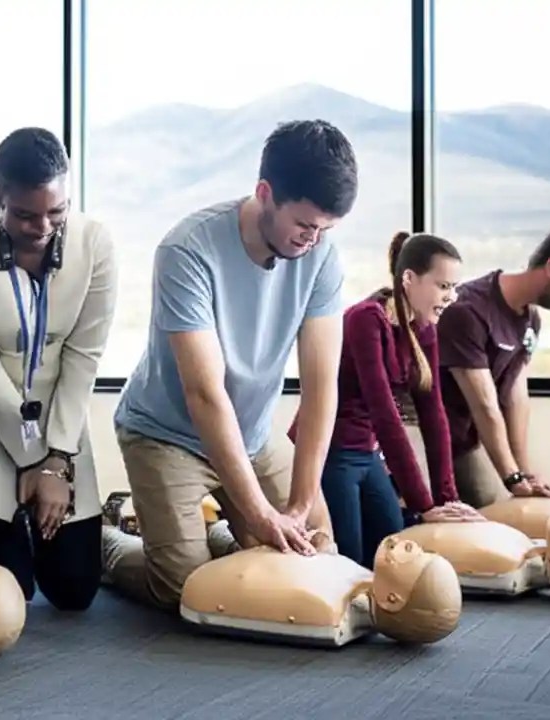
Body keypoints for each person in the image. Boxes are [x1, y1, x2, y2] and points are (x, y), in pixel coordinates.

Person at [100, 119, 354, 612]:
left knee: (318, 552)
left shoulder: (322, 256)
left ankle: (218, 536)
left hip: (253, 437)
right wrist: (259, 513)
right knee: (189, 591)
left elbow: (323, 388)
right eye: (304, 225)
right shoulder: (187, 250)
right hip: (166, 434)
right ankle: (108, 543)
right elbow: (205, 394)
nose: (313, 240)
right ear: (265, 194)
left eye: (325, 229)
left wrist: (300, 506)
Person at [0, 127, 117, 610]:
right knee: (5, 596)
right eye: (24, 214)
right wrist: (31, 457)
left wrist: (57, 459)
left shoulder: (95, 243)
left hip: (62, 422)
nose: (42, 227)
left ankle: (108, 536)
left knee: (74, 591)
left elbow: (84, 356)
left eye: (56, 212)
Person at [290, 231, 481, 568]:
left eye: (454, 287)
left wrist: (447, 499)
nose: (451, 297)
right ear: (409, 279)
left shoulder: (425, 330)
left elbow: (433, 414)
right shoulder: (367, 319)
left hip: (368, 454)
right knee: (350, 560)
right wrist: (424, 505)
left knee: (391, 549)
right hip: (331, 453)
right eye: (443, 286)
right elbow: (384, 413)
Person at [436, 224, 550, 508]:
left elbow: (516, 398)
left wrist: (526, 474)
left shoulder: (530, 320)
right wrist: (512, 478)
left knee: (499, 504)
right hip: (435, 438)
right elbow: (485, 405)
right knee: (483, 501)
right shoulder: (468, 311)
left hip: (469, 438)